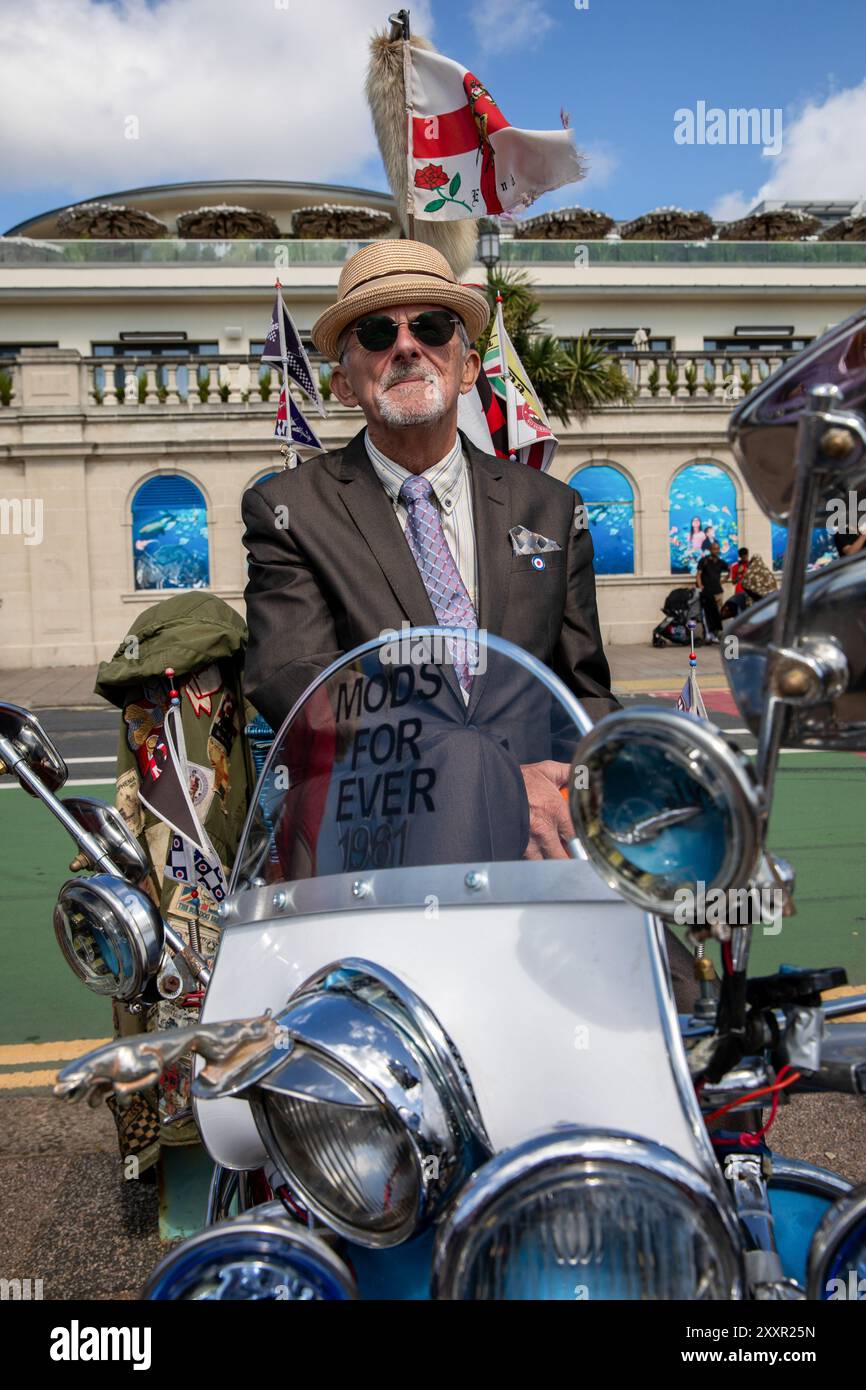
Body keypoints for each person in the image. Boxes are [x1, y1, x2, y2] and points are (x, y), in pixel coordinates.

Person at [241, 239, 619, 860]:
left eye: (433, 326)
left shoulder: (551, 507)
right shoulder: (289, 511)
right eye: (375, 333)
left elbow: (582, 691)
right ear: (342, 383)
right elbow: (304, 689)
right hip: (379, 844)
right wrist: (493, 785)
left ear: (468, 369)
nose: (407, 346)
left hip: (544, 846)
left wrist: (601, 787)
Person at [695, 540, 729, 642]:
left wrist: (723, 581)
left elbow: (729, 570)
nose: (716, 551)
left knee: (718, 615)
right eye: (714, 549)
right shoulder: (704, 561)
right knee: (707, 614)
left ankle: (715, 635)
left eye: (718, 549)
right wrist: (700, 585)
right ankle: (707, 635)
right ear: (710, 550)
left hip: (718, 592)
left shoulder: (721, 562)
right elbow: (698, 574)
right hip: (707, 593)